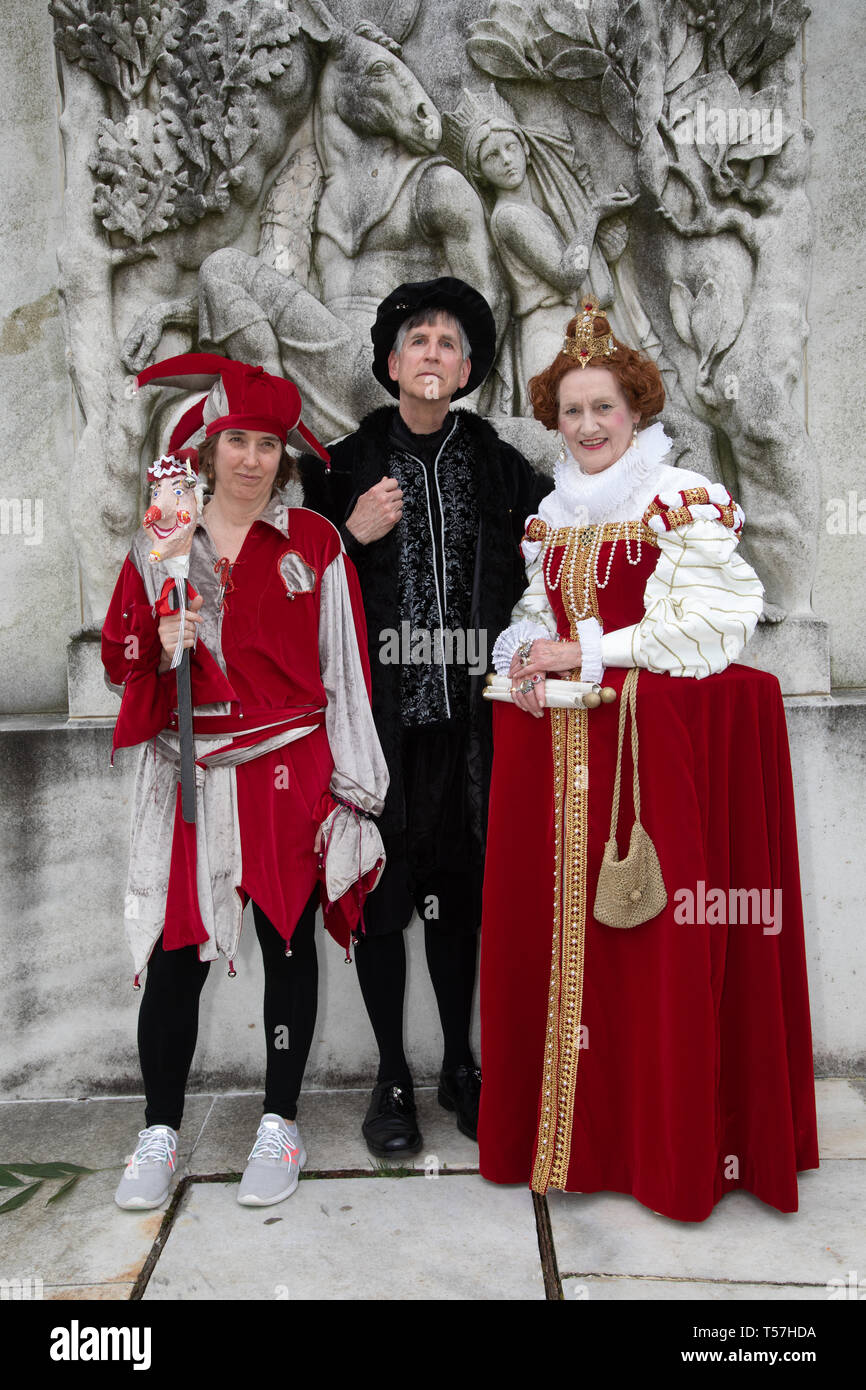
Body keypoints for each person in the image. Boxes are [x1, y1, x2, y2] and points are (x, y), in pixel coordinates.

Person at [477, 300, 819, 1221]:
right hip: (564, 749)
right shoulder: (550, 517)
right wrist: (523, 650)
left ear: (636, 414)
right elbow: (535, 616)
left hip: (649, 759)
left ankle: (662, 1145)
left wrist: (586, 654)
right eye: (572, 410)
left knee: (650, 955)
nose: (588, 426)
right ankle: (581, 1138)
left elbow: (708, 626)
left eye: (605, 409)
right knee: (569, 950)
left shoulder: (679, 498)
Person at [102, 354, 388, 1210]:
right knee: (177, 952)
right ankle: (158, 1129)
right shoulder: (164, 537)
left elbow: (344, 670)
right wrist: (160, 644)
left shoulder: (315, 542)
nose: (252, 459)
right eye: (236, 441)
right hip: (190, 770)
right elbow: (121, 663)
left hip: (288, 771)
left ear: (284, 456)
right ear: (208, 448)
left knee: (286, 941)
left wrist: (352, 787)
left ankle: (280, 1119)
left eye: (268, 444)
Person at [299, 276, 552, 1157]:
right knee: (380, 899)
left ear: (469, 366)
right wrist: (348, 531)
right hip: (376, 727)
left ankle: (459, 1065)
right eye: (419, 341)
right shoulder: (339, 468)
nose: (433, 354)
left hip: (472, 729)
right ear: (391, 362)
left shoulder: (500, 464)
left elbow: (555, 566)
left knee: (459, 900)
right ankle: (391, 1078)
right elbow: (293, 581)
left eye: (449, 343)